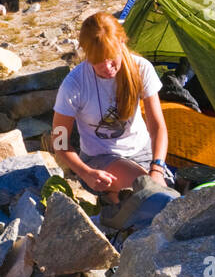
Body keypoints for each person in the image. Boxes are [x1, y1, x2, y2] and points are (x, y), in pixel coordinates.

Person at [52, 11, 171, 198]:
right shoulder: (74, 84)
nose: (107, 68)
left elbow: (157, 127)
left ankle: (114, 201)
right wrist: (85, 172)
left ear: (122, 43)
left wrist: (157, 167)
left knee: (156, 193)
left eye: (111, 58)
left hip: (143, 152)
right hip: (99, 159)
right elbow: (60, 142)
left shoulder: (142, 69)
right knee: (151, 193)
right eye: (98, 61)